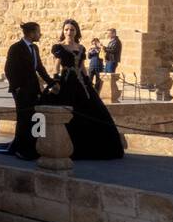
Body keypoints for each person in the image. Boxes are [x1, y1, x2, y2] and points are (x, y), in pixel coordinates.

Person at [40, 18, 124, 160]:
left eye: (72, 29)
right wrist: (56, 81)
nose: (69, 32)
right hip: (66, 81)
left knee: (94, 109)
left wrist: (88, 82)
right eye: (66, 29)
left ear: (76, 31)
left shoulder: (81, 47)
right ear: (63, 31)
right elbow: (56, 66)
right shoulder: (59, 47)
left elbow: (82, 67)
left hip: (81, 83)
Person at [2, 22, 52, 160]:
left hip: (33, 88)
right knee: (23, 118)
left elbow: (39, 68)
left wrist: (51, 82)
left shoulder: (34, 48)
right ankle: (21, 148)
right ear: (31, 33)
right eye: (38, 32)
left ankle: (33, 146)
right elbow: (9, 70)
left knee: (35, 117)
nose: (40, 34)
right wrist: (17, 87)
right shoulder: (16, 48)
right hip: (21, 89)